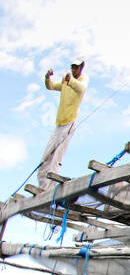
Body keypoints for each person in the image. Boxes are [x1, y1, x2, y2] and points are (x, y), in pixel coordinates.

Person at [36, 56, 88, 189]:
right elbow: (51, 86)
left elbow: (81, 89)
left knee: (56, 159)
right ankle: (42, 188)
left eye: (76, 67)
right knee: (46, 157)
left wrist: (70, 80)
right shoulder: (65, 82)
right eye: (72, 66)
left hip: (69, 124)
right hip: (58, 124)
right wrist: (48, 78)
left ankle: (51, 189)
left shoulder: (82, 80)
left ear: (81, 67)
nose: (74, 69)